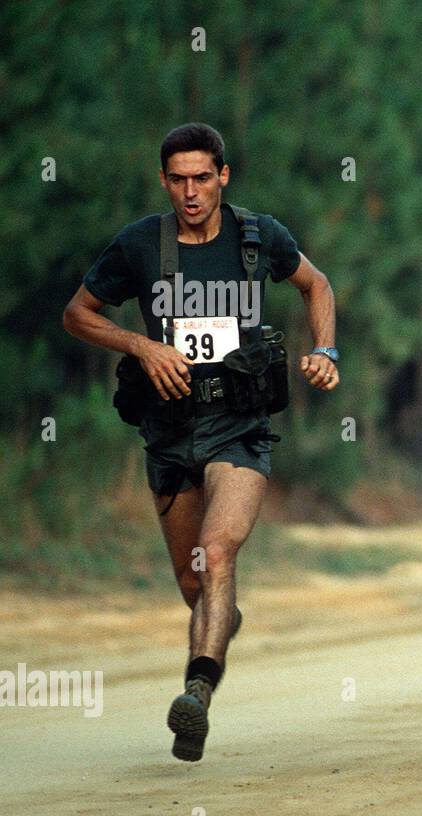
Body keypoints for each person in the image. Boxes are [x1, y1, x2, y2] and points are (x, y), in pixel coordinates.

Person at [62, 123, 339, 761]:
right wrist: (140, 343)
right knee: (197, 587)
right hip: (168, 430)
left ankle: (197, 696)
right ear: (165, 181)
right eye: (178, 180)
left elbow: (316, 284)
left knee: (217, 554)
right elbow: (78, 313)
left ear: (223, 176)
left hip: (240, 426)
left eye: (202, 178)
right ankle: (217, 622)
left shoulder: (259, 237)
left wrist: (324, 348)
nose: (191, 192)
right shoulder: (138, 245)